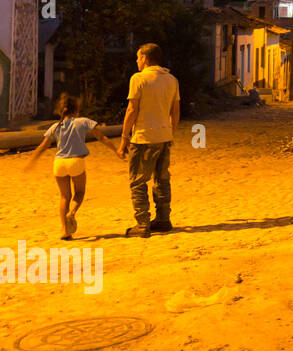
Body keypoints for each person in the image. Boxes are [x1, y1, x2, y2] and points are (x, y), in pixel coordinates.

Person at [26, 93, 119, 240]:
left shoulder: (55, 126)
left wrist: (31, 161)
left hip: (59, 164)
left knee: (64, 197)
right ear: (76, 110)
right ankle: (72, 212)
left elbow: (42, 147)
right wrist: (116, 150)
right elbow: (102, 137)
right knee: (80, 192)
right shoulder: (83, 121)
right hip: (76, 161)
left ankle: (64, 230)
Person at [118, 43, 180, 237]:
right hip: (164, 137)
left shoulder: (138, 79)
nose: (137, 61)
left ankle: (143, 223)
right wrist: (170, 132)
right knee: (162, 179)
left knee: (138, 181)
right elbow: (175, 111)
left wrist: (124, 137)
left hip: (144, 137)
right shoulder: (171, 80)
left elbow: (132, 110)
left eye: (138, 57)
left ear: (145, 58)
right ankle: (163, 219)